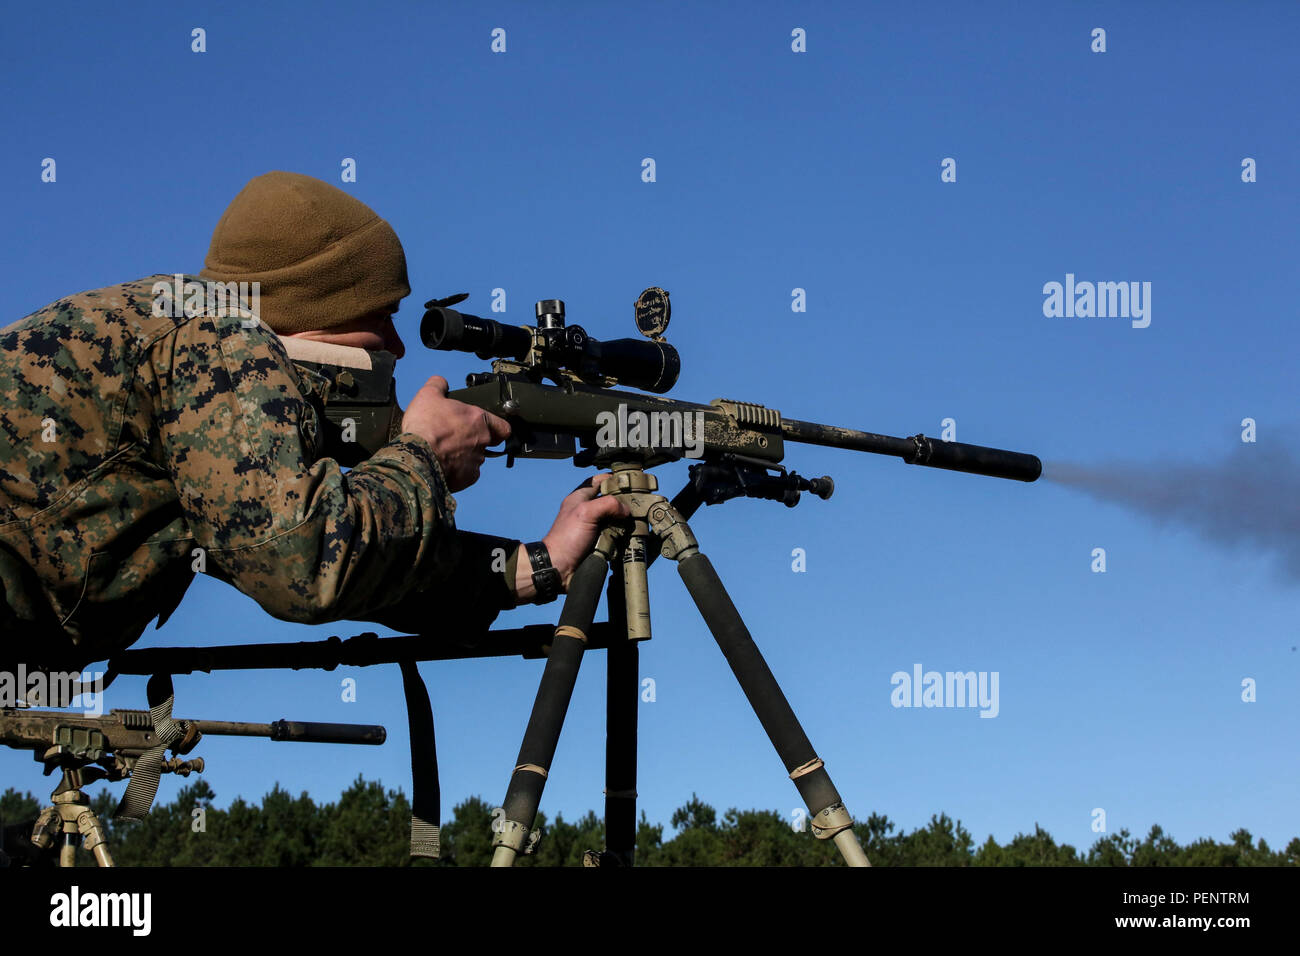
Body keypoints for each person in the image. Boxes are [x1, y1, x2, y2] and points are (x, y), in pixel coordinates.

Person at [0, 170, 626, 677]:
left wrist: (536, 565)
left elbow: (336, 557)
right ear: (320, 305)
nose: (397, 346)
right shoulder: (220, 339)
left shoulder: (176, 331)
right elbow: (300, 563)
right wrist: (423, 455)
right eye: (382, 315)